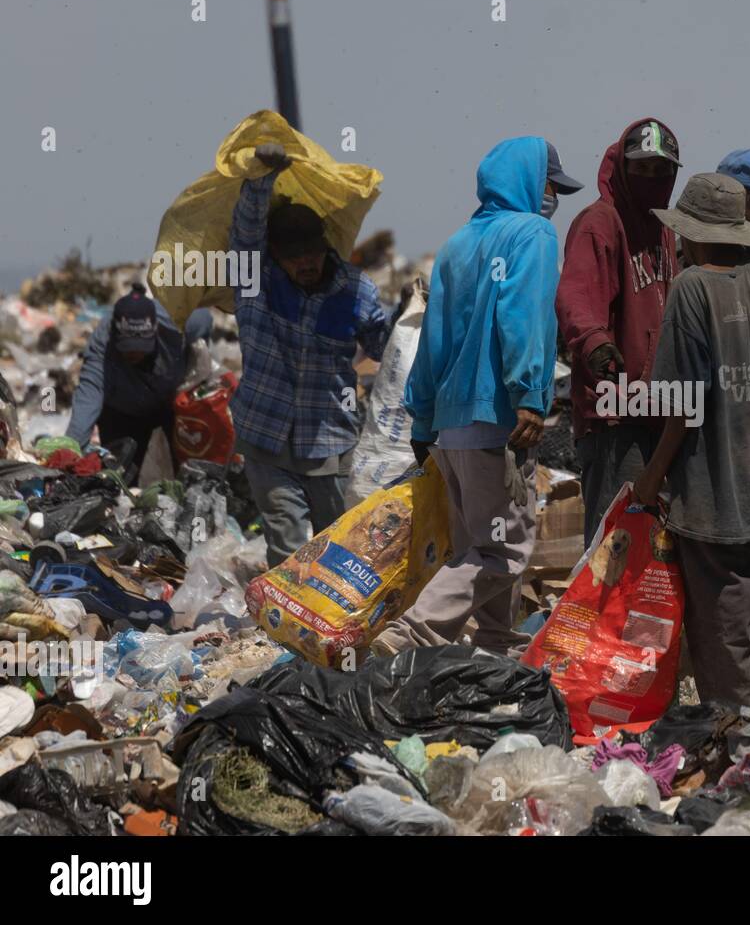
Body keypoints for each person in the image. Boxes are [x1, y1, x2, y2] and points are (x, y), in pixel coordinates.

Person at [369, 137, 581, 657]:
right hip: (497, 419)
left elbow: (432, 338)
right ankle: (412, 632)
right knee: (504, 549)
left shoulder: (460, 242)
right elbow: (525, 318)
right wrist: (531, 395)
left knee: (477, 543)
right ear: (535, 183)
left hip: (452, 426)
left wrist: (422, 423)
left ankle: (496, 645)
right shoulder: (533, 233)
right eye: (552, 186)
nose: (554, 197)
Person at [632, 173, 750, 710]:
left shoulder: (691, 288)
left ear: (698, 235)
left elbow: (683, 405)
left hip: (712, 494)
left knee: (721, 626)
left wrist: (651, 479)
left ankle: (737, 733)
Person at [227, 142, 403, 567]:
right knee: (286, 546)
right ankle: (287, 628)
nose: (304, 263)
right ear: (277, 258)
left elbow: (384, 346)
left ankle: (331, 625)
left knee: (336, 545)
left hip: (328, 443)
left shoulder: (354, 290)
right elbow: (245, 231)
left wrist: (411, 321)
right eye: (293, 256)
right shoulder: (256, 284)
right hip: (265, 435)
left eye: (311, 252)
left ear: (326, 248)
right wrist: (261, 176)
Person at [556, 117, 682, 544]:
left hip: (659, 409)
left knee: (655, 543)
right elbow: (576, 298)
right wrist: (596, 344)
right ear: (622, 168)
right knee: (613, 544)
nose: (651, 178)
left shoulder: (664, 229)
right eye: (641, 168)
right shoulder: (599, 224)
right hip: (615, 411)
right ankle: (595, 616)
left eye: (660, 170)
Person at [66, 283, 213, 484]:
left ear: (155, 329)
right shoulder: (102, 343)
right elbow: (89, 394)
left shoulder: (178, 319)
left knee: (193, 473)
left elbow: (205, 321)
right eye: (127, 348)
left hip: (171, 402)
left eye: (140, 347)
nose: (134, 353)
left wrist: (195, 363)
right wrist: (70, 450)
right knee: (117, 480)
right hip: (122, 410)